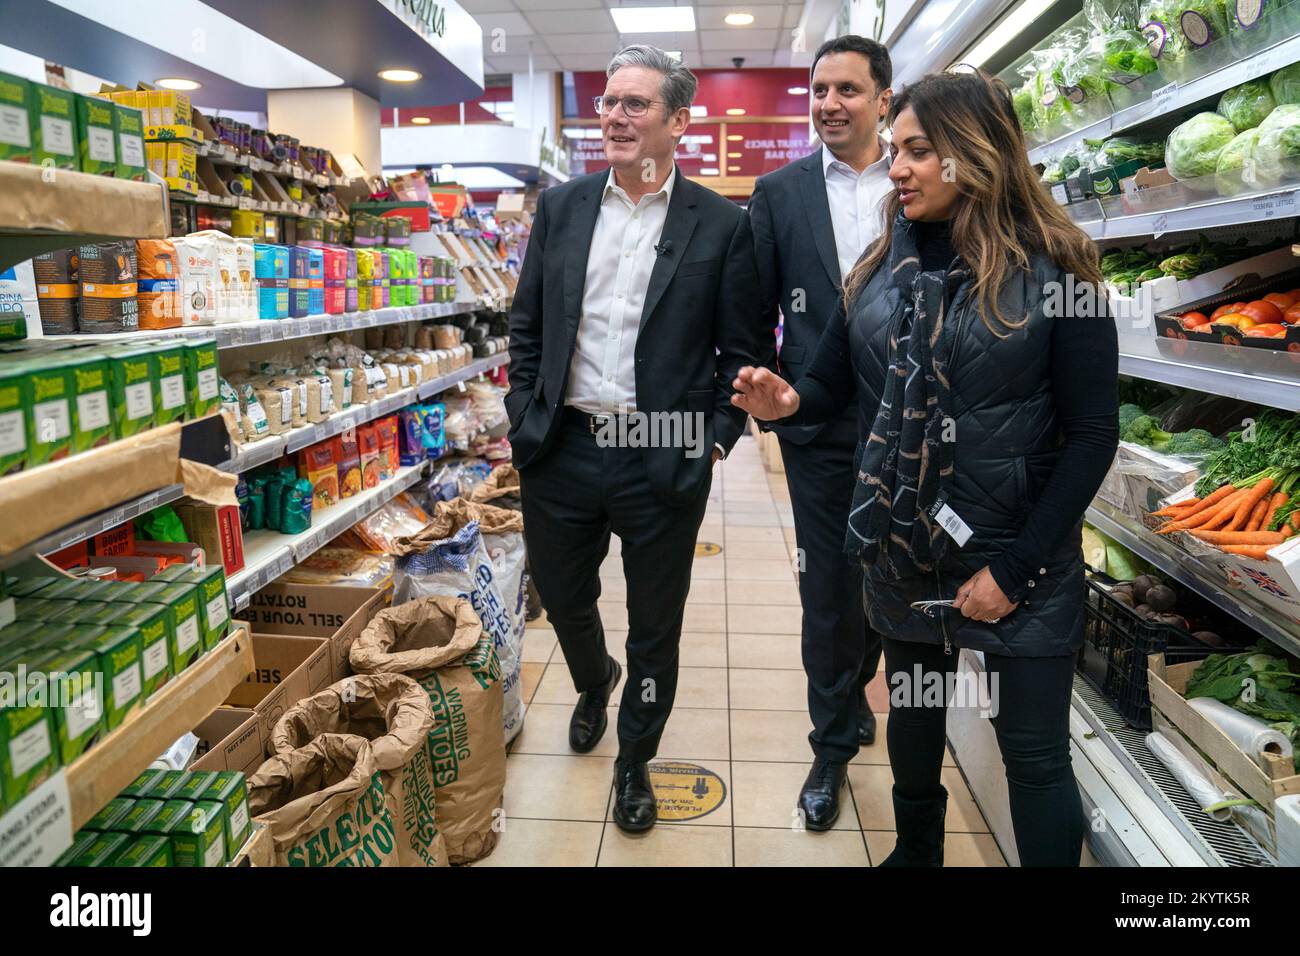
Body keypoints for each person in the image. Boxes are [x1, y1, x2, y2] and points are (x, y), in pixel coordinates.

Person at [731, 70, 1118, 866]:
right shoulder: (877, 272)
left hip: (1025, 559)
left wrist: (1014, 569)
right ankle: (916, 855)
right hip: (907, 549)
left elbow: (1091, 436)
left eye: (917, 150)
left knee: (1036, 759)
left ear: (974, 154)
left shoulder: (1060, 273)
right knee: (915, 722)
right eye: (897, 150)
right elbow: (832, 385)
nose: (897, 167)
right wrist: (787, 403)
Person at [507, 45, 766, 833]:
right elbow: (527, 326)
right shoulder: (562, 209)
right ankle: (592, 679)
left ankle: (634, 760)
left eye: (635, 105)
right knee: (562, 593)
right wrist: (525, 415)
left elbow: (743, 355)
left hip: (663, 449)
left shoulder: (721, 225)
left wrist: (714, 442)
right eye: (609, 102)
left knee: (658, 623)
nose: (613, 117)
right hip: (564, 445)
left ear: (678, 122)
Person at [748, 34, 893, 830]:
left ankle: (854, 687)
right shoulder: (779, 191)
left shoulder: (920, 178)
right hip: (821, 426)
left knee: (884, 581)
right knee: (830, 591)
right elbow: (752, 306)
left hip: (910, 422)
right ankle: (831, 746)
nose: (829, 104)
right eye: (819, 91)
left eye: (846, 90)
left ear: (882, 99)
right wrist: (776, 389)